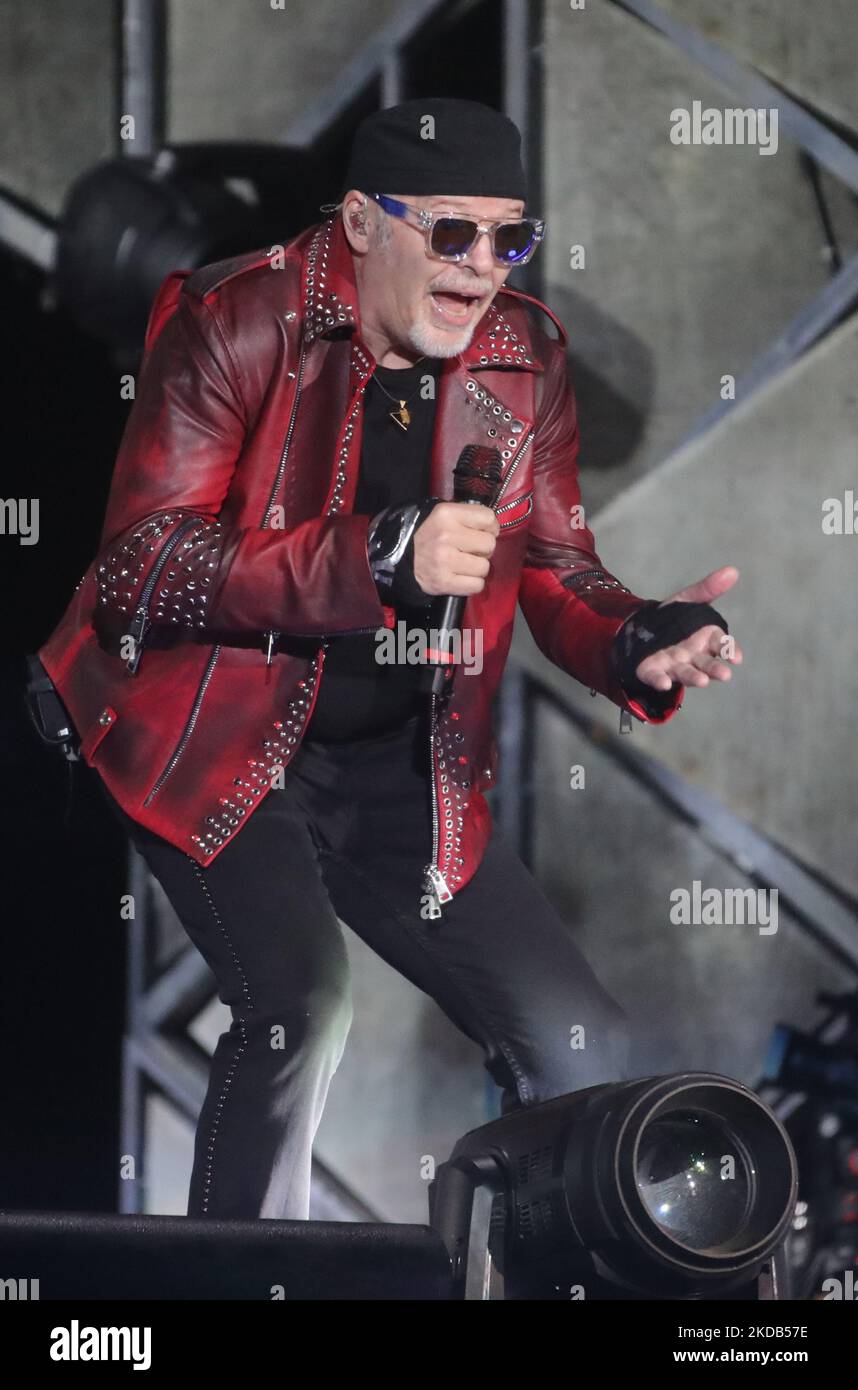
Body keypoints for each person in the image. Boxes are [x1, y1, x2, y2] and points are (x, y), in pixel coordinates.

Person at [38, 99, 742, 1220]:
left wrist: (636, 635)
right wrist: (380, 556)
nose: (482, 270)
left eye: (509, 237)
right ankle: (245, 1288)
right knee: (298, 1005)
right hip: (217, 733)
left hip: (400, 765)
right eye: (452, 235)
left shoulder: (527, 355)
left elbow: (555, 560)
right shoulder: (234, 318)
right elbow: (146, 561)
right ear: (363, 224)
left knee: (582, 1041)